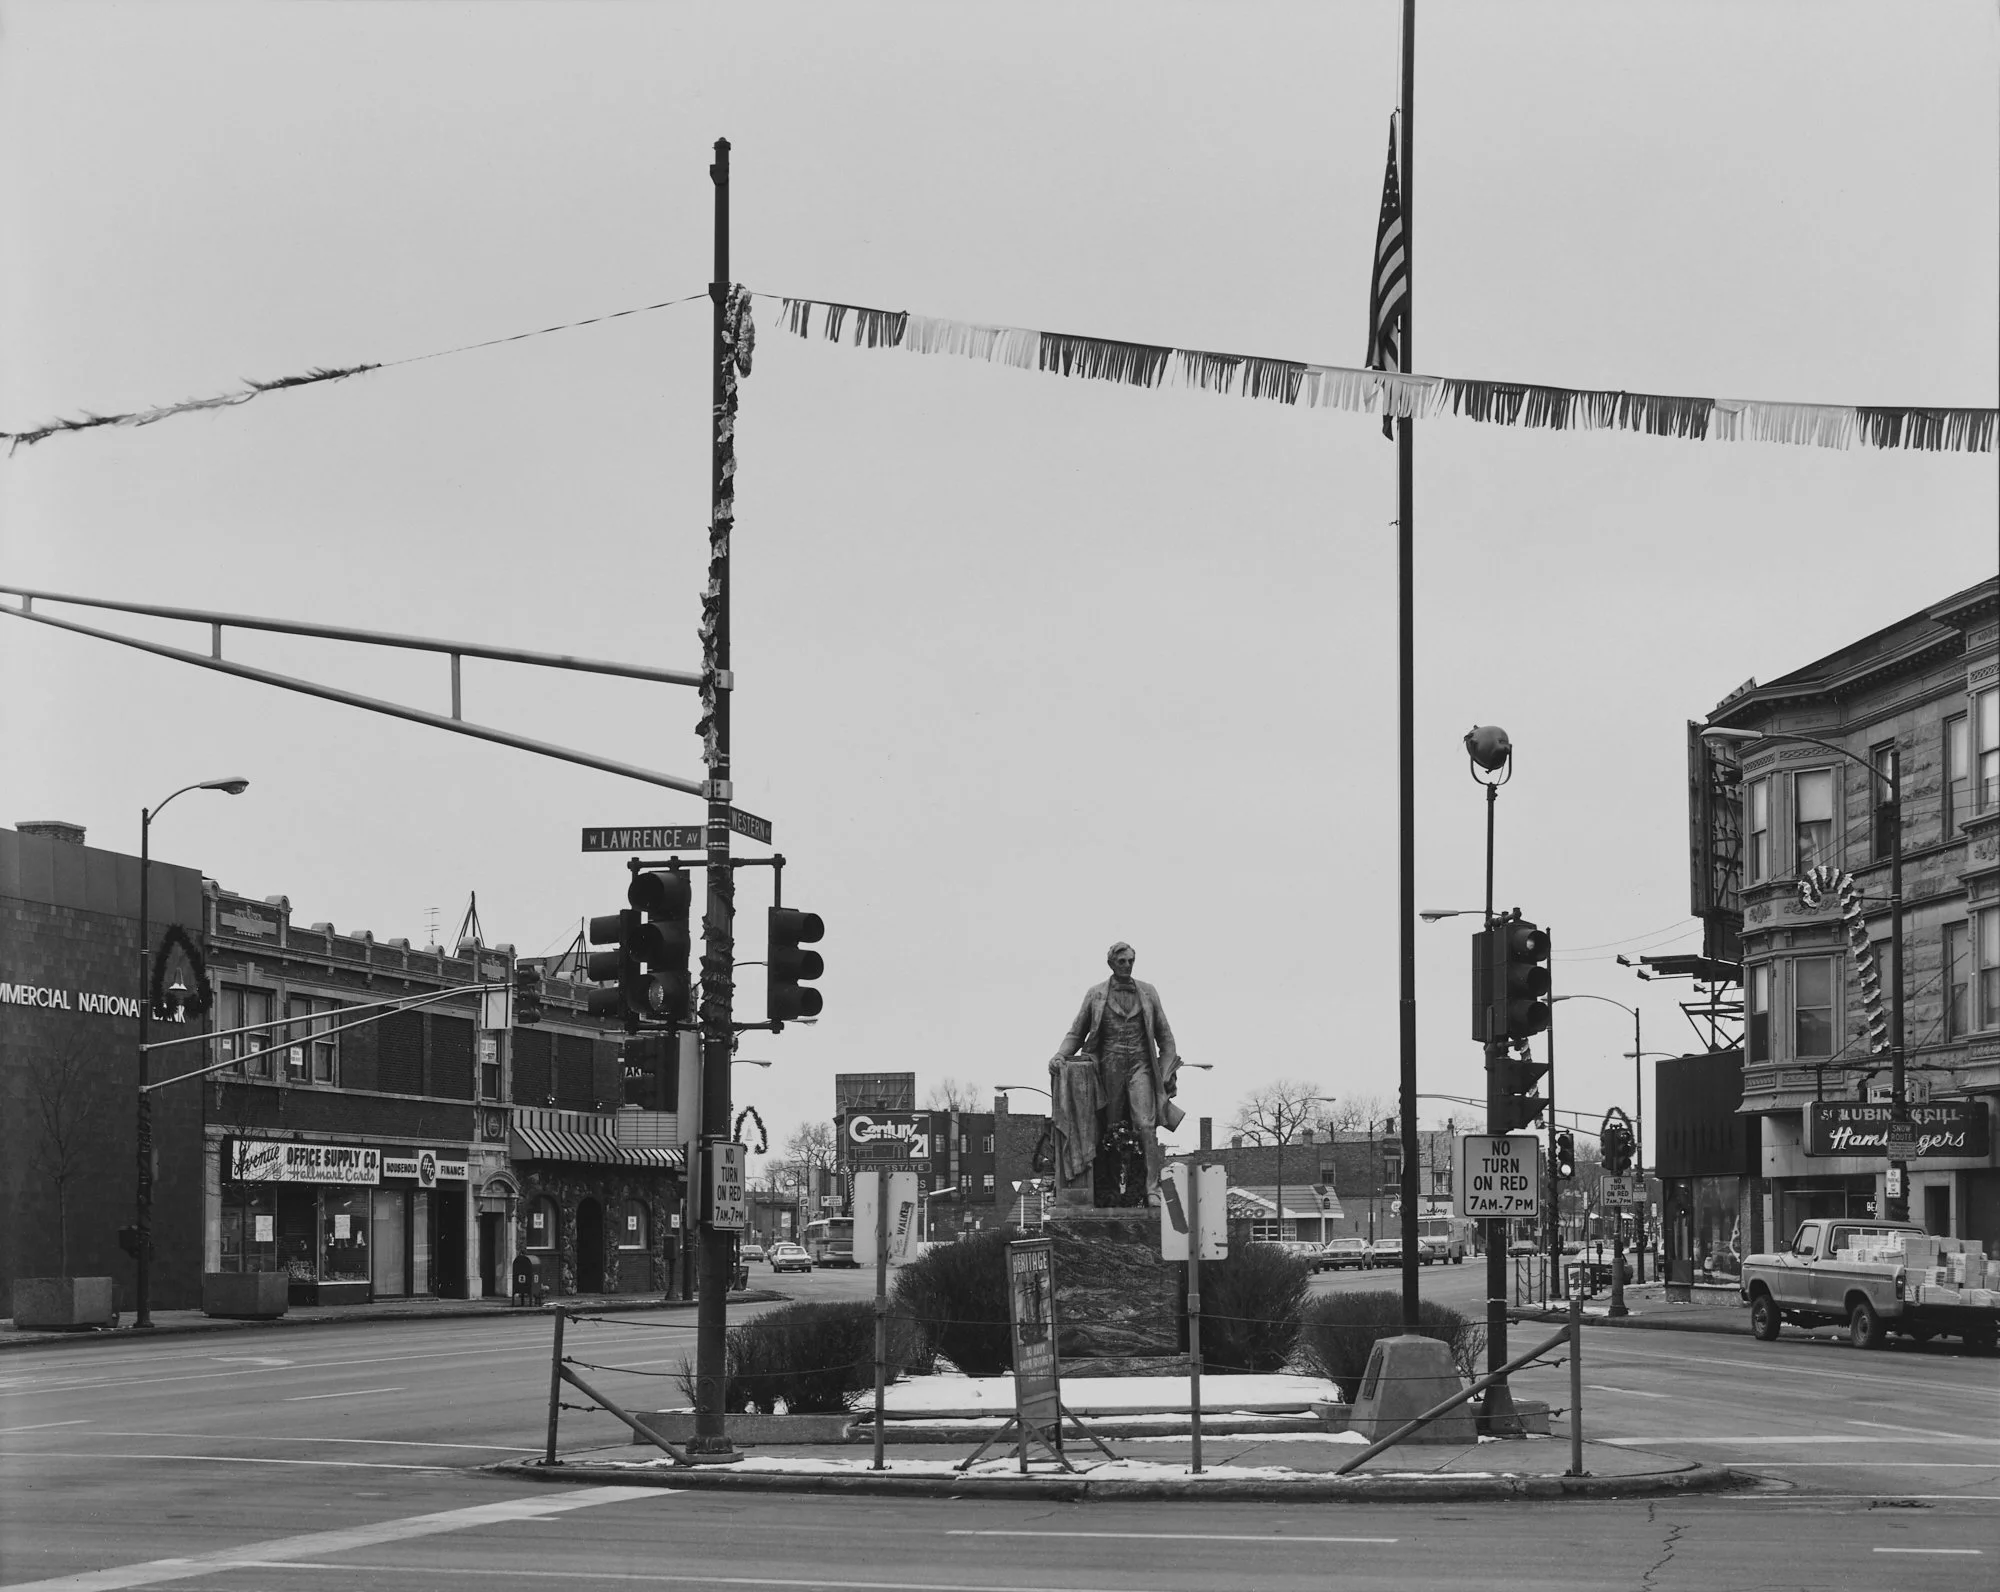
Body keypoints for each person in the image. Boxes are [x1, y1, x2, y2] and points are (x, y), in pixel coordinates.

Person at [1049, 941, 1184, 1203]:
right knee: (1109, 1128)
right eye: (1121, 961)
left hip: (1140, 1065)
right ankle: (1107, 1188)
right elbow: (1076, 1033)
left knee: (1145, 1125)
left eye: (1131, 961)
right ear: (1111, 963)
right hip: (1109, 1065)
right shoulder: (1095, 994)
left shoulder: (1148, 992)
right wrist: (1059, 1055)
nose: (1127, 965)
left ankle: (1152, 1188)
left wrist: (1166, 1072)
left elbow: (1166, 1039)